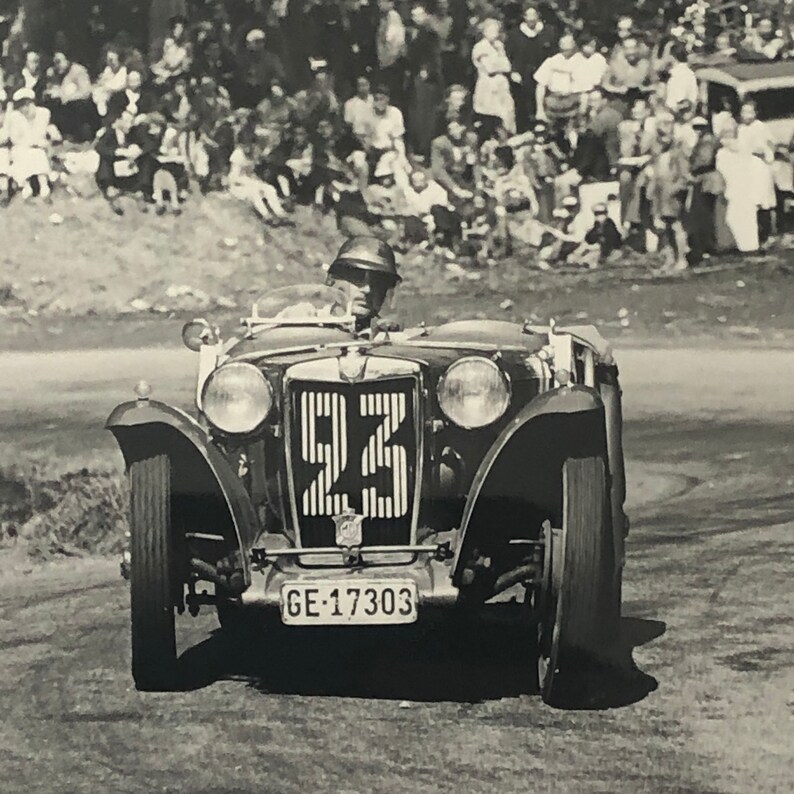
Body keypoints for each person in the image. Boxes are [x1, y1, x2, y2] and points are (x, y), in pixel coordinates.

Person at [326, 235, 402, 332]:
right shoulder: (311, 323)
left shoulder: (386, 336)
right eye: (357, 277)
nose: (367, 289)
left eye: (378, 282)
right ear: (333, 280)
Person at [471, 18, 515, 139]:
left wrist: (500, 63)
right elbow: (489, 68)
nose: (494, 33)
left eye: (496, 30)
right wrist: (500, 65)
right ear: (484, 32)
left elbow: (508, 66)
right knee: (491, 118)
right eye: (490, 30)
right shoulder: (480, 47)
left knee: (507, 115)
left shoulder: (499, 46)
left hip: (502, 86)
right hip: (488, 86)